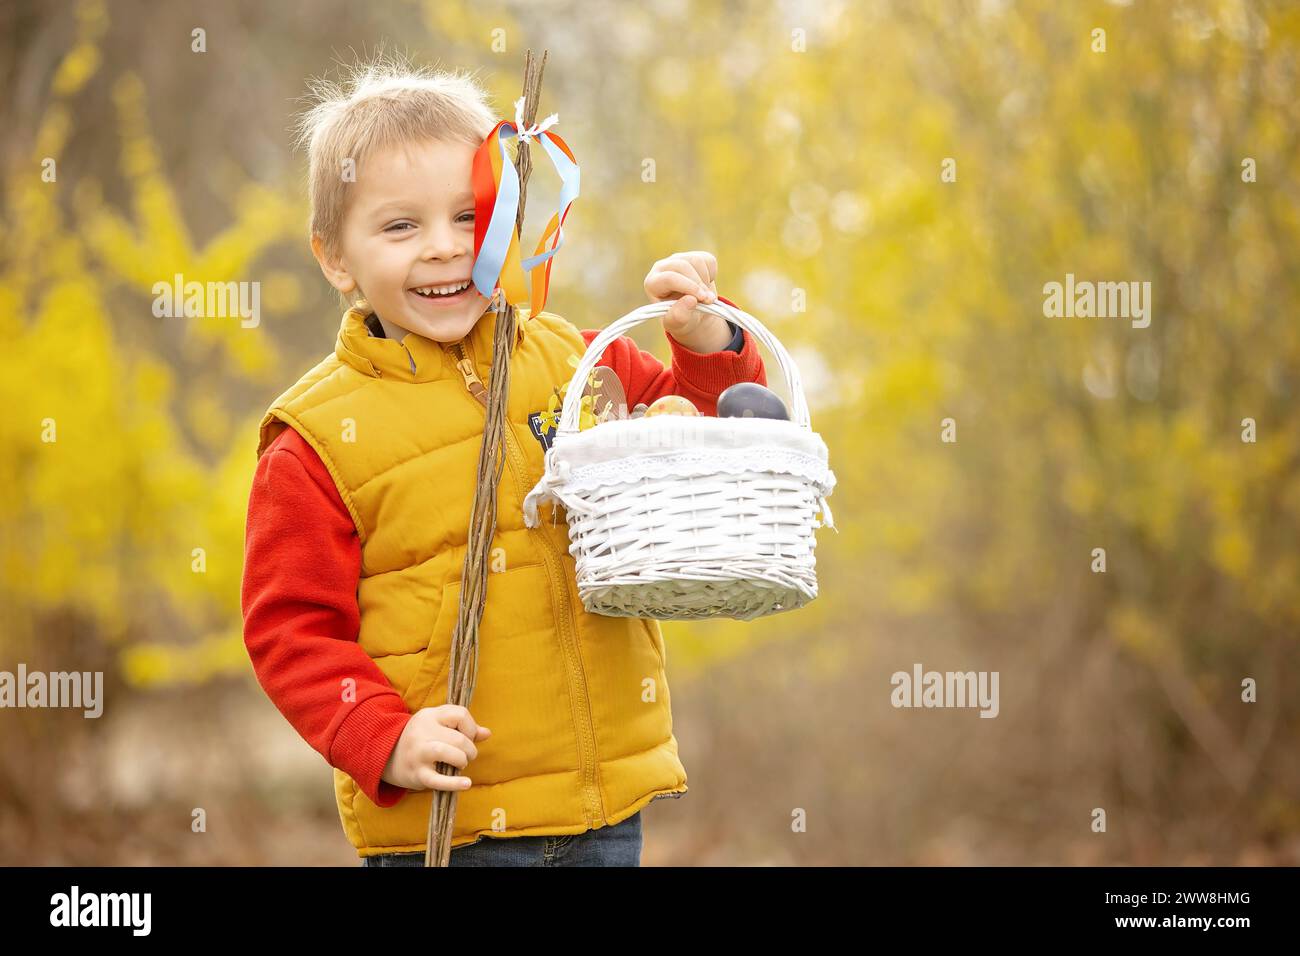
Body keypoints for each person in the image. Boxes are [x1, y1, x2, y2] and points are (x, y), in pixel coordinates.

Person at [240, 55, 767, 866]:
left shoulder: (573, 360)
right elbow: (291, 629)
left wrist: (707, 338)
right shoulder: (314, 437)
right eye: (400, 226)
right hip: (449, 820)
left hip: (604, 803)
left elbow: (696, 437)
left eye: (469, 215)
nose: (446, 249)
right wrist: (382, 736)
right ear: (335, 257)